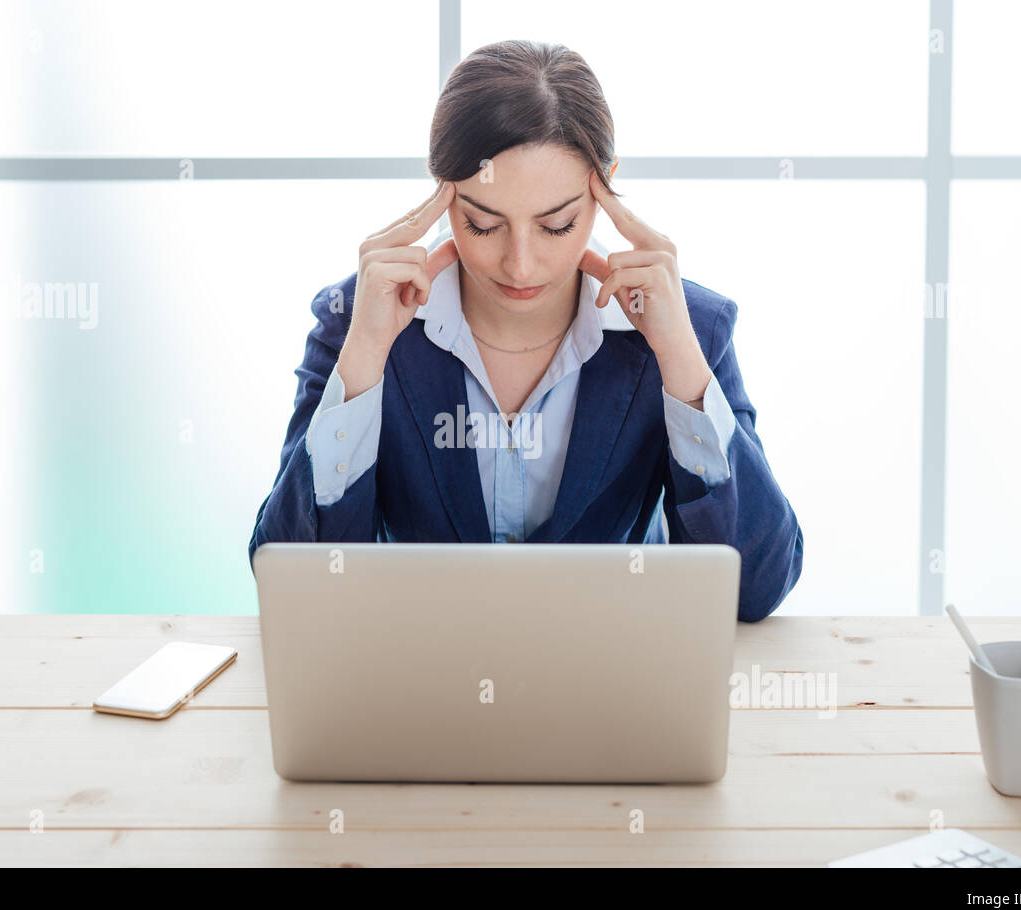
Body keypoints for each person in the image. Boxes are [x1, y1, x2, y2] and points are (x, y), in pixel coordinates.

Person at [249, 39, 803, 622]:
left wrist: (682, 366)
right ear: (443, 196)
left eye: (557, 225)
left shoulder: (691, 330)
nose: (519, 265)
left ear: (606, 189)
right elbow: (293, 588)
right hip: (419, 682)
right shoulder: (354, 321)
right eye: (482, 225)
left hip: (610, 685)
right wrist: (363, 358)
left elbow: (758, 588)